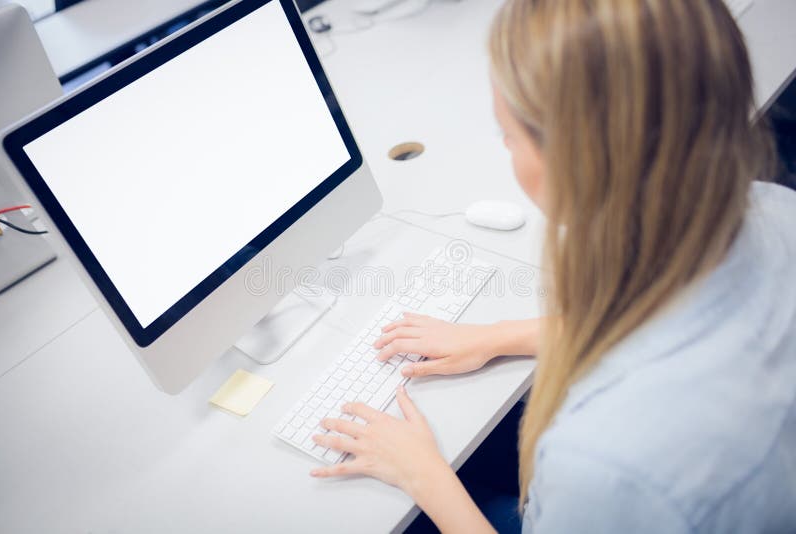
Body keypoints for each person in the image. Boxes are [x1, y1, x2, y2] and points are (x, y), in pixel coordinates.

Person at [309, 0, 796, 532]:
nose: (506, 150)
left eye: (509, 135)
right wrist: (498, 335)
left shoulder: (606, 462)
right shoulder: (772, 208)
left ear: (575, 164)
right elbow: (671, 319)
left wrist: (422, 473)